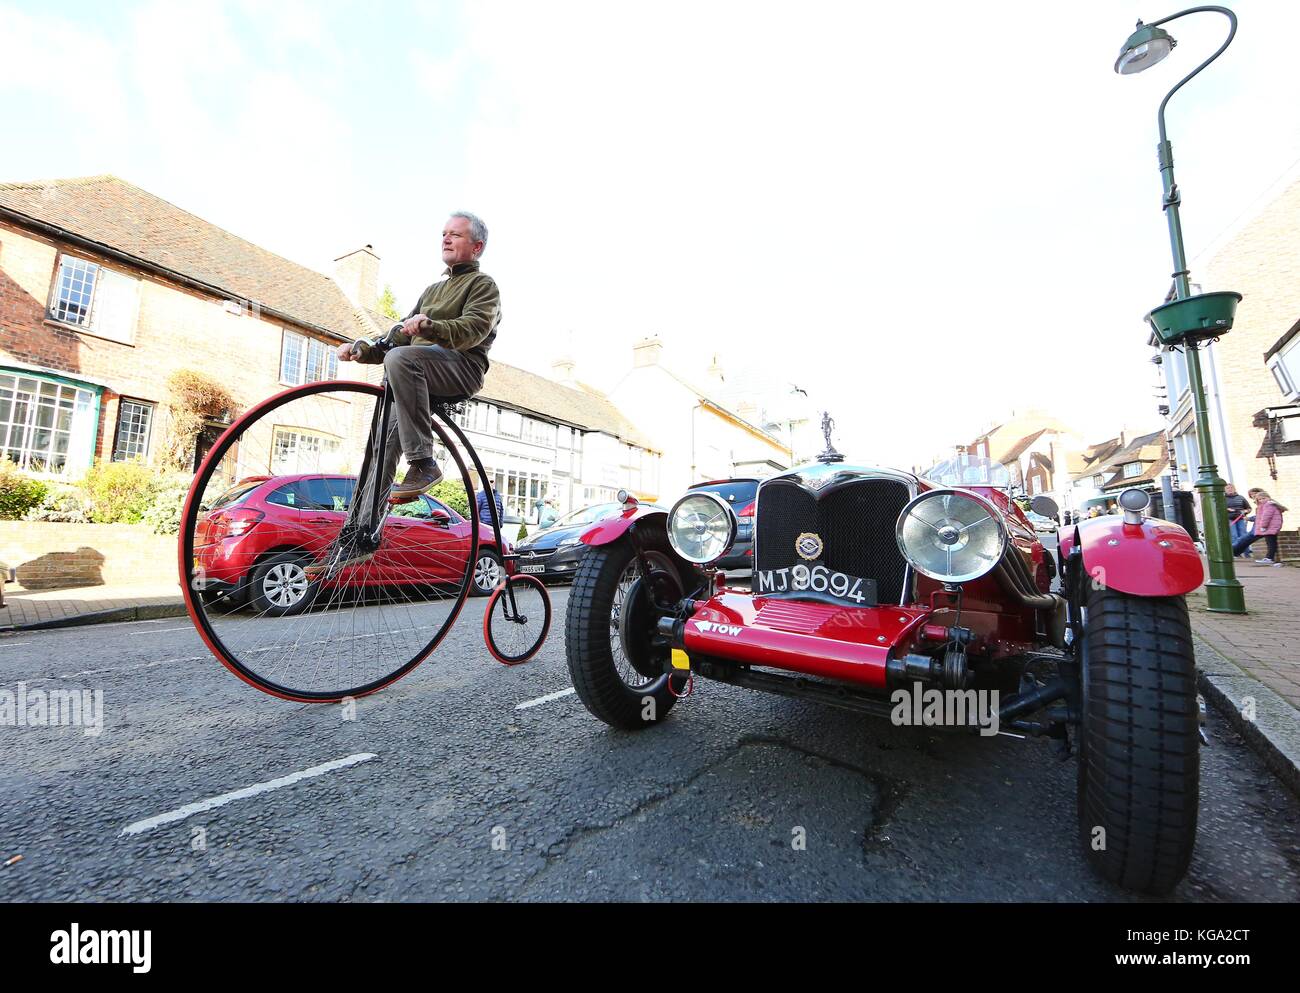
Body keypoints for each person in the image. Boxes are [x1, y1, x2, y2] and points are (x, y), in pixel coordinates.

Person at [318, 212, 501, 573]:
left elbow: (473, 330)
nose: (446, 239)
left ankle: (423, 463)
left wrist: (431, 327)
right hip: (414, 373)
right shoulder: (432, 291)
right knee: (379, 450)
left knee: (402, 360)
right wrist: (364, 350)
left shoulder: (483, 286)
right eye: (444, 234)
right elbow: (396, 337)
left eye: (456, 235)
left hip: (459, 368)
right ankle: (358, 537)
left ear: (477, 246)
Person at [1232, 488, 1287, 565]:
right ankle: (1270, 558)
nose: (1261, 500)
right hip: (1269, 527)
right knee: (1270, 542)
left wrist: (1263, 526)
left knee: (1270, 543)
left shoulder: (1268, 505)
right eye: (1259, 499)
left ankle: (1269, 558)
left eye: (1263, 498)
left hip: (1268, 528)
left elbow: (1265, 517)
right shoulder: (1265, 505)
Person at [1225, 484, 1251, 557]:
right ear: (1225, 490)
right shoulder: (1222, 499)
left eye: (1231, 487)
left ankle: (1247, 553)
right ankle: (1235, 553)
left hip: (1241, 518)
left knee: (1243, 536)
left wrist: (1245, 511)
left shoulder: (1241, 498)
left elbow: (1249, 508)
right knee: (1234, 536)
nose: (1230, 489)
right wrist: (1227, 509)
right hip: (1229, 519)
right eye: (1228, 488)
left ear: (1234, 488)